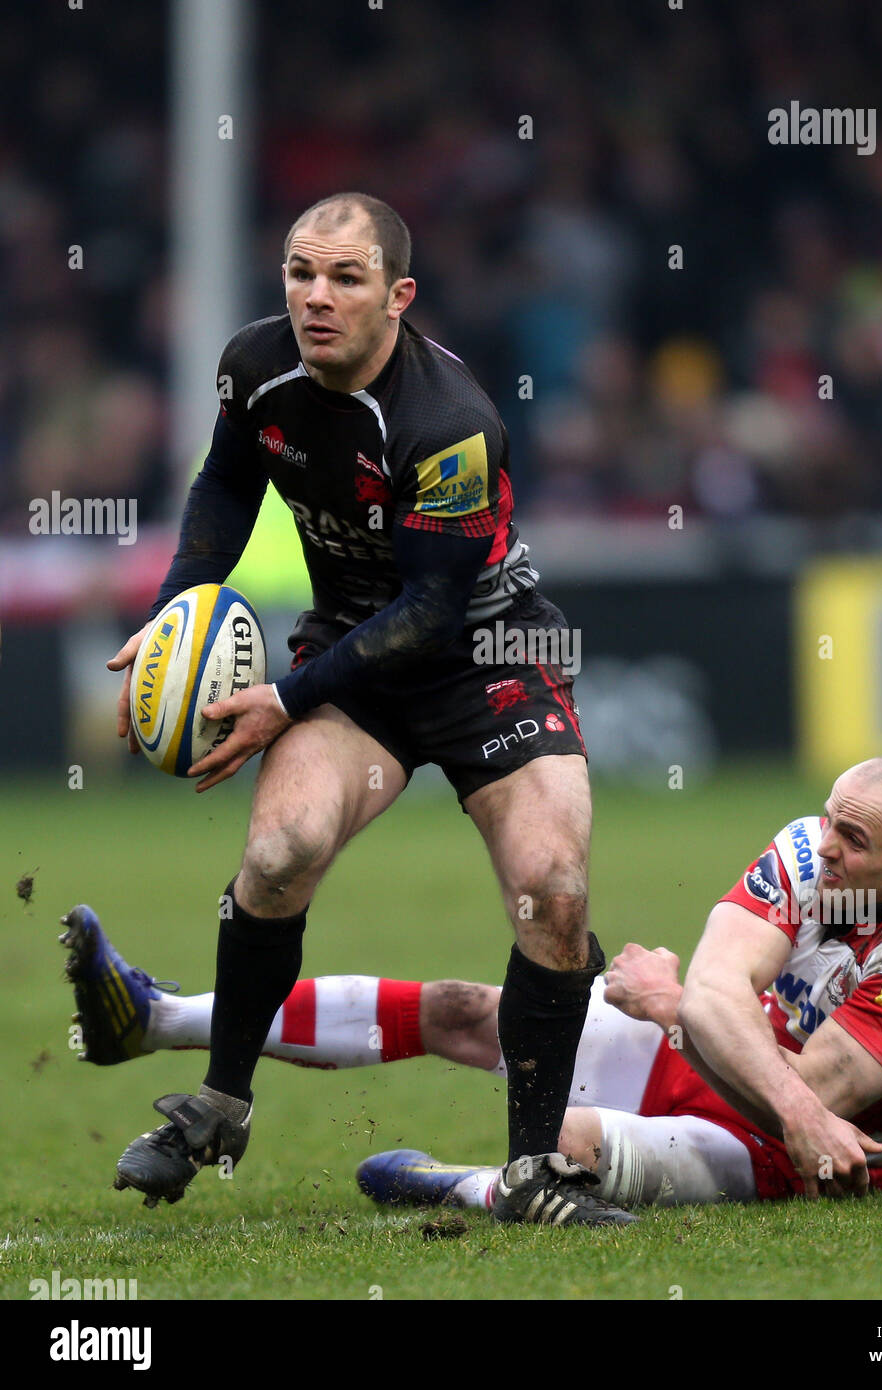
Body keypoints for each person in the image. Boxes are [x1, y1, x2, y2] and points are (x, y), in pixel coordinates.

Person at [103, 191, 633, 1225]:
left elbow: (433, 610)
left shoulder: (450, 426)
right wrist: (176, 615)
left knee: (553, 887)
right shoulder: (256, 367)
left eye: (345, 278)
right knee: (276, 854)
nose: (316, 296)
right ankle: (218, 1102)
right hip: (353, 652)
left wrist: (286, 699)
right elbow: (222, 489)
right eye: (301, 271)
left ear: (398, 296)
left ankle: (535, 1169)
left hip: (487, 655)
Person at [64, 753, 882, 1210]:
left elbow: (815, 1099)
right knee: (467, 1010)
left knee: (568, 1140)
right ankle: (151, 1018)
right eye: (830, 818)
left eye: (855, 839)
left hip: (785, 1152)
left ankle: (456, 1186)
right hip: (724, 1054)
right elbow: (718, 980)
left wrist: (679, 1009)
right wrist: (691, 1008)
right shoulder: (812, 844)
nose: (825, 843)